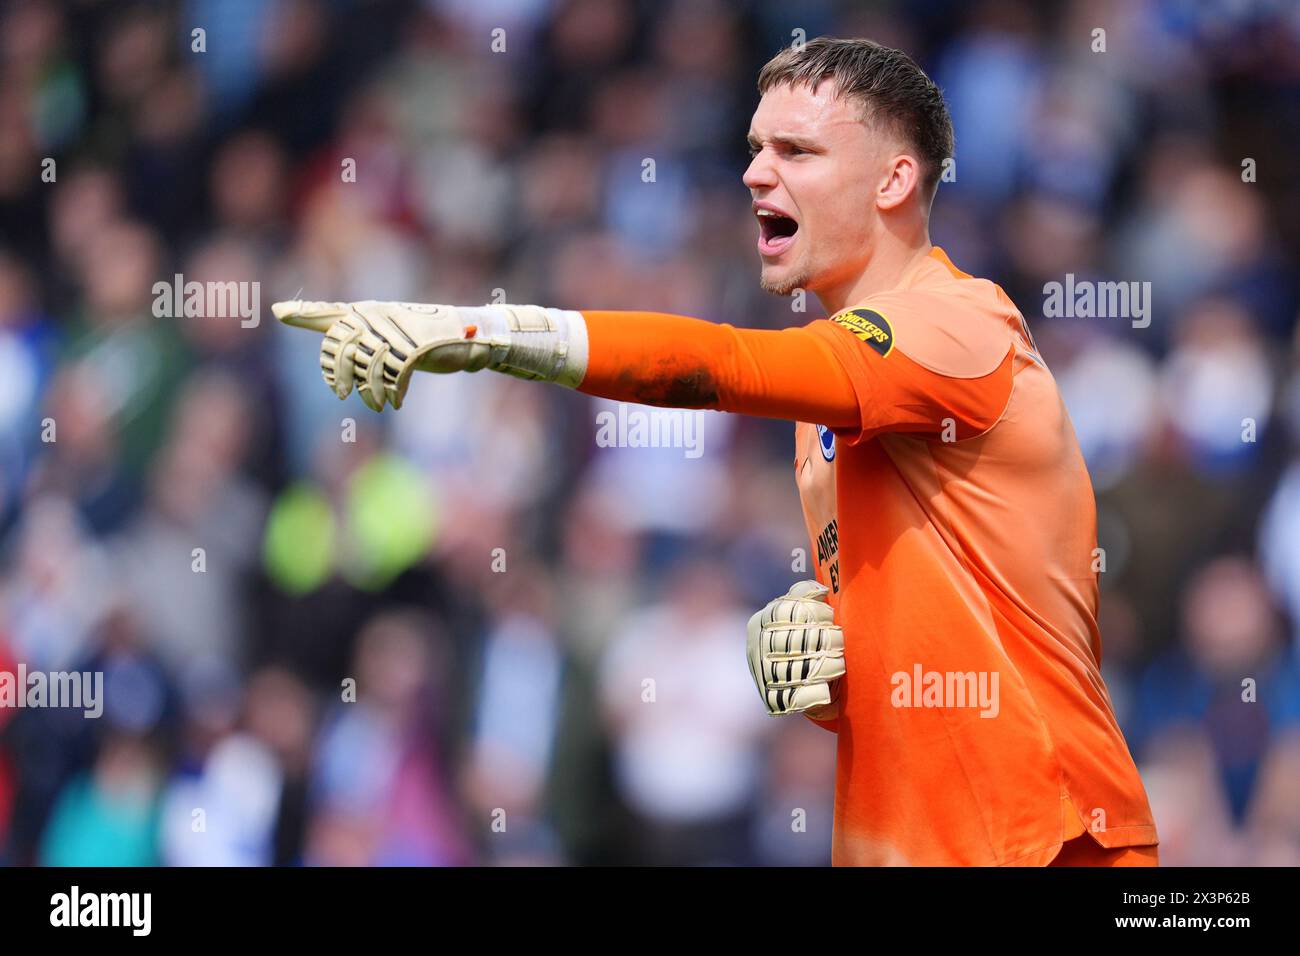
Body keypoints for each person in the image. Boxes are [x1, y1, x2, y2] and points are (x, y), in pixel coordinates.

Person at [274, 37, 1158, 866]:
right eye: (754, 147)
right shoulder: (831, 418)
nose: (754, 172)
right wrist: (820, 665)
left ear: (894, 180)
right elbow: (917, 671)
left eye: (797, 152)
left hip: (1049, 839)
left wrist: (486, 331)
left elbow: (719, 366)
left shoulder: (956, 326)